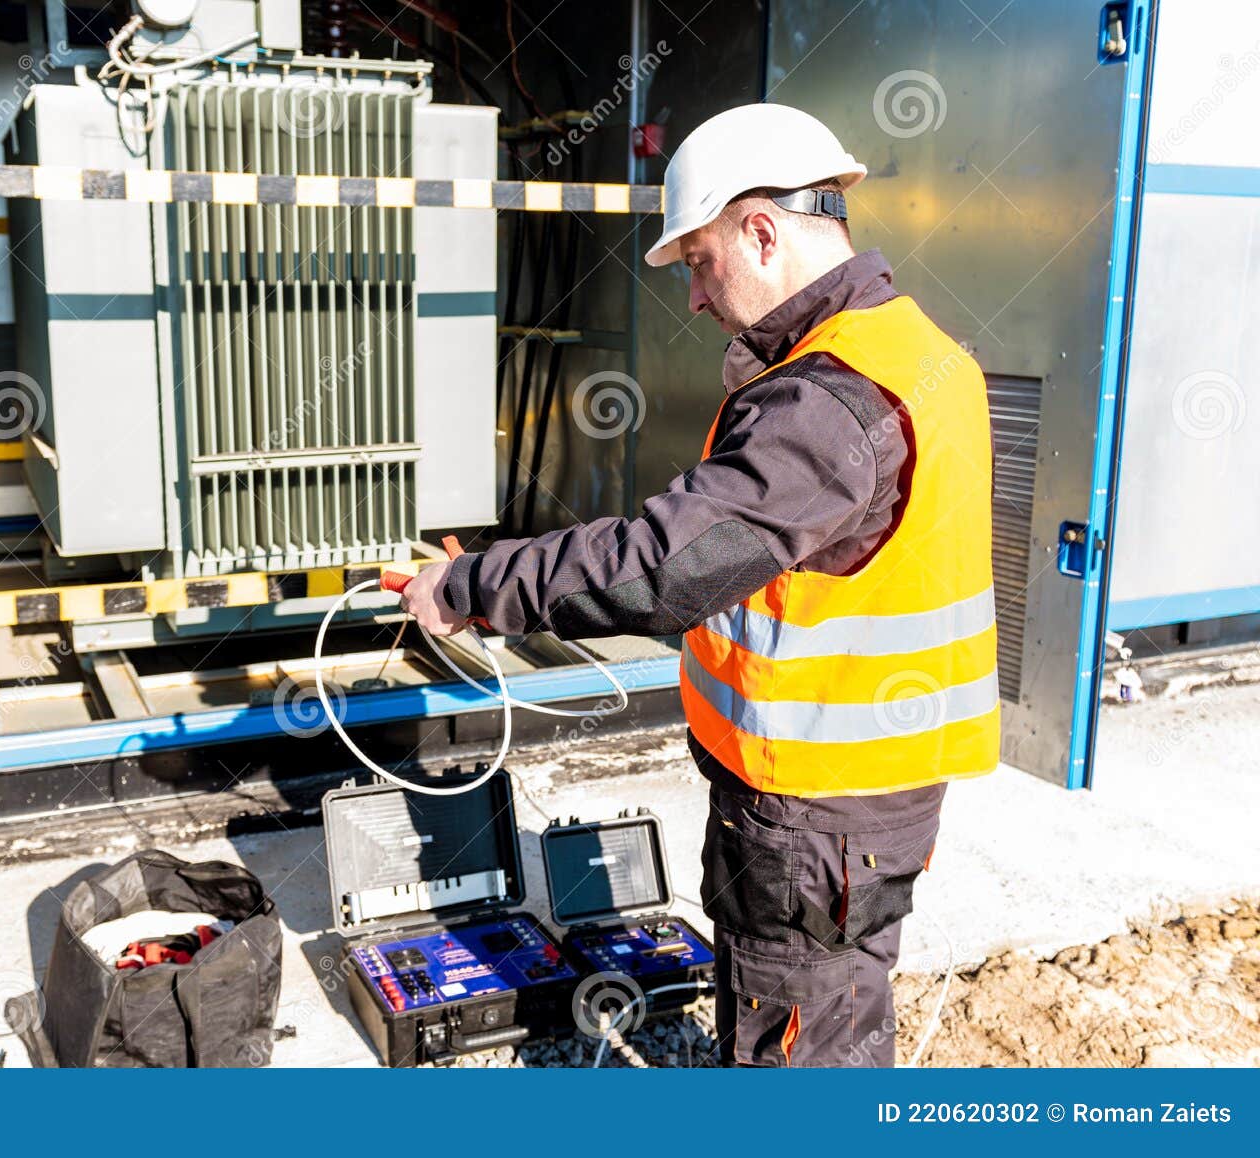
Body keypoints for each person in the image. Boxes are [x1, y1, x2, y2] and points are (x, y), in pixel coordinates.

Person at [397, 103, 999, 1067]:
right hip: (846, 809)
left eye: (701, 262)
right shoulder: (903, 348)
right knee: (807, 1023)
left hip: (817, 814)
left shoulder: (832, 397)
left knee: (800, 1055)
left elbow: (664, 564)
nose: (694, 297)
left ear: (760, 231)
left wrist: (477, 583)